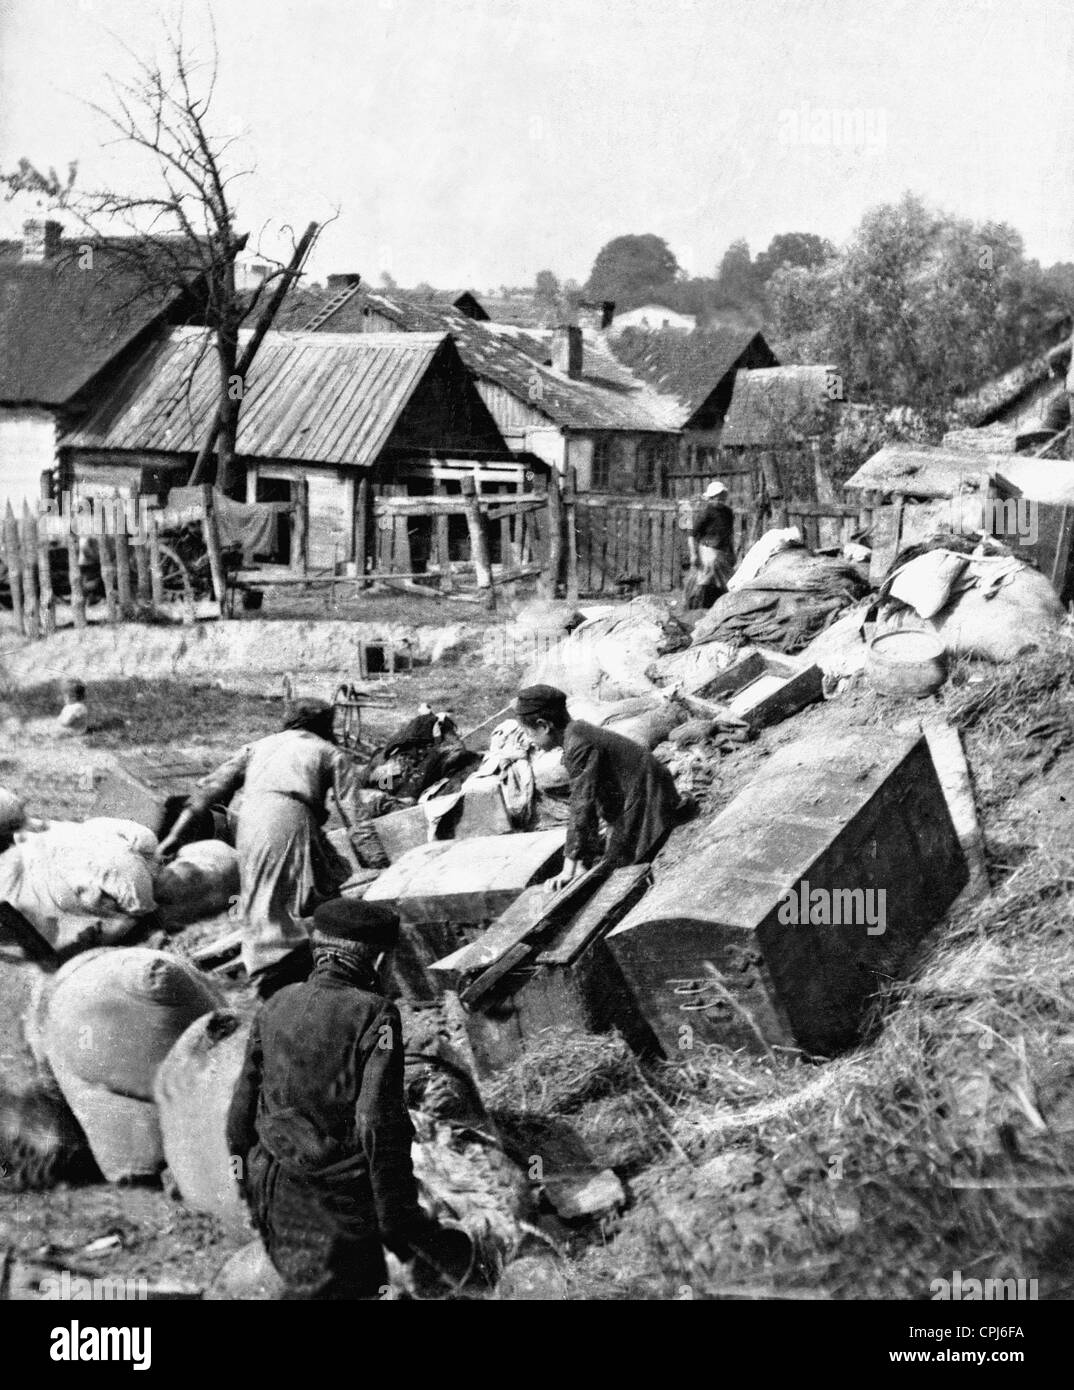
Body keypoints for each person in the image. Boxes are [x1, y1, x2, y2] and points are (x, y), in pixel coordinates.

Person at [225, 897, 473, 1300]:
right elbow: (378, 1126)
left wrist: (247, 1191)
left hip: (272, 1191)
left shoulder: (275, 1004)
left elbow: (239, 1115)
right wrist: (399, 1223)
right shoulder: (376, 1014)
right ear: (378, 963)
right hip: (337, 1208)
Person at [155, 699, 368, 998]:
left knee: (266, 894)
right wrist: (375, 859)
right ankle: (285, 977)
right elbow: (355, 813)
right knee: (297, 897)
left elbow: (209, 791)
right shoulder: (328, 751)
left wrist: (175, 836)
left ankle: (284, 967)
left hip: (251, 822)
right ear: (324, 725)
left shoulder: (258, 746)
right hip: (291, 818)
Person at [515, 685, 693, 892]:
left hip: (650, 797)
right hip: (644, 793)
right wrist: (579, 863)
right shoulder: (577, 733)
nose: (529, 739)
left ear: (544, 725)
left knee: (618, 874)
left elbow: (582, 806)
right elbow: (589, 804)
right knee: (607, 861)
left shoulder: (579, 743)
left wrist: (567, 870)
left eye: (527, 732)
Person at [691, 479, 737, 599]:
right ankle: (698, 601)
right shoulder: (706, 513)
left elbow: (729, 534)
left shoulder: (728, 513)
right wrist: (693, 554)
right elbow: (692, 534)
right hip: (708, 548)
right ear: (711, 498)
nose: (719, 500)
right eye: (716, 497)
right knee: (708, 572)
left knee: (728, 577)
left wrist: (732, 552)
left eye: (722, 497)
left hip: (722, 549)